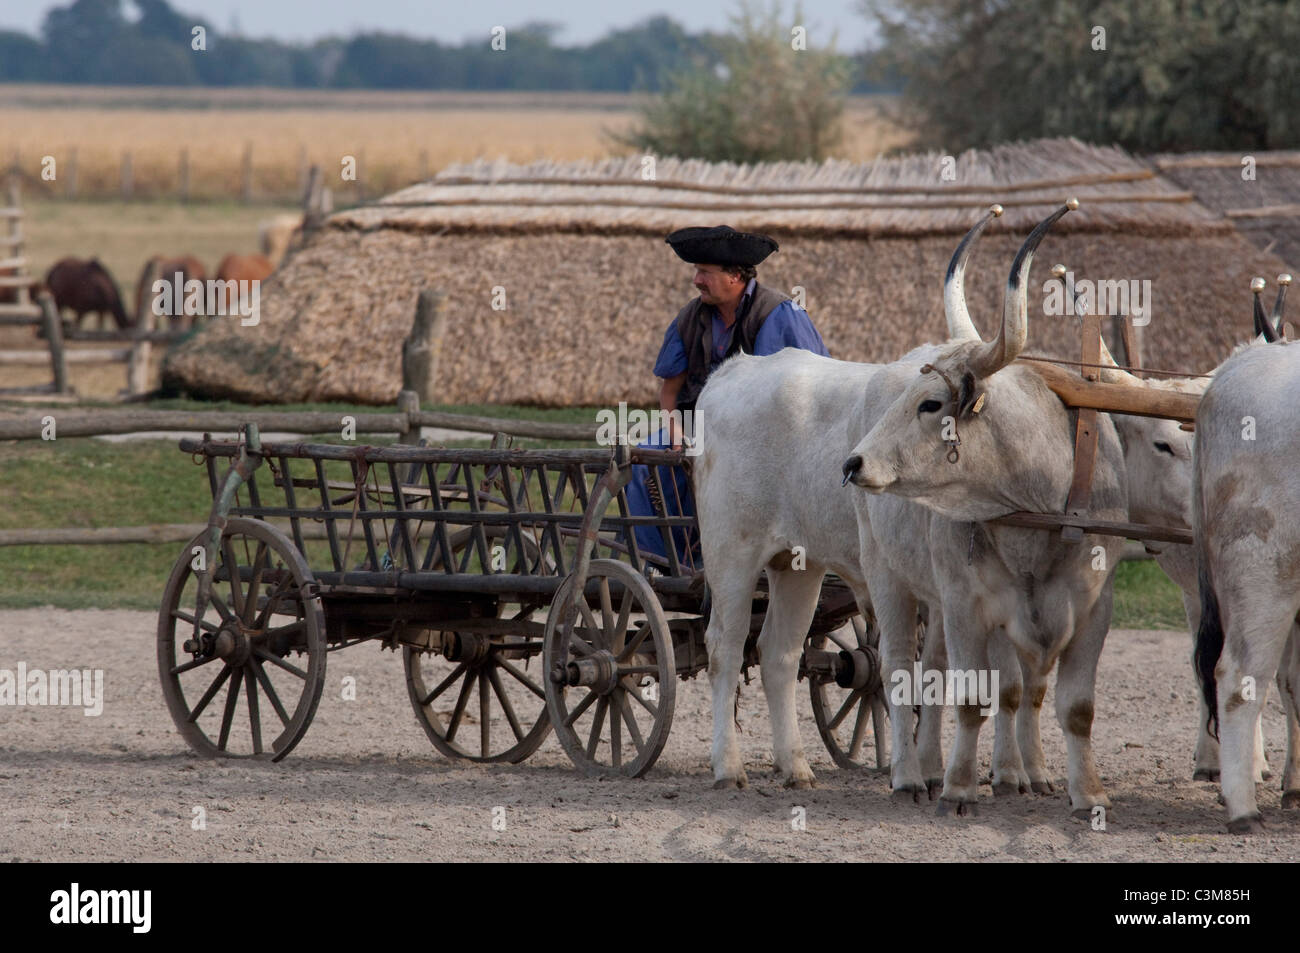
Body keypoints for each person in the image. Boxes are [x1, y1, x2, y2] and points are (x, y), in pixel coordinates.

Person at [623, 225, 830, 568]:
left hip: (771, 434)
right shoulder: (689, 319)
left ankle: (729, 558)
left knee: (726, 468)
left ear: (735, 276)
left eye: (705, 272)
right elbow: (670, 391)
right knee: (645, 460)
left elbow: (807, 387)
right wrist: (675, 433)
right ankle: (662, 564)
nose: (696, 280)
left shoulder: (777, 314)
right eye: (696, 270)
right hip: (699, 425)